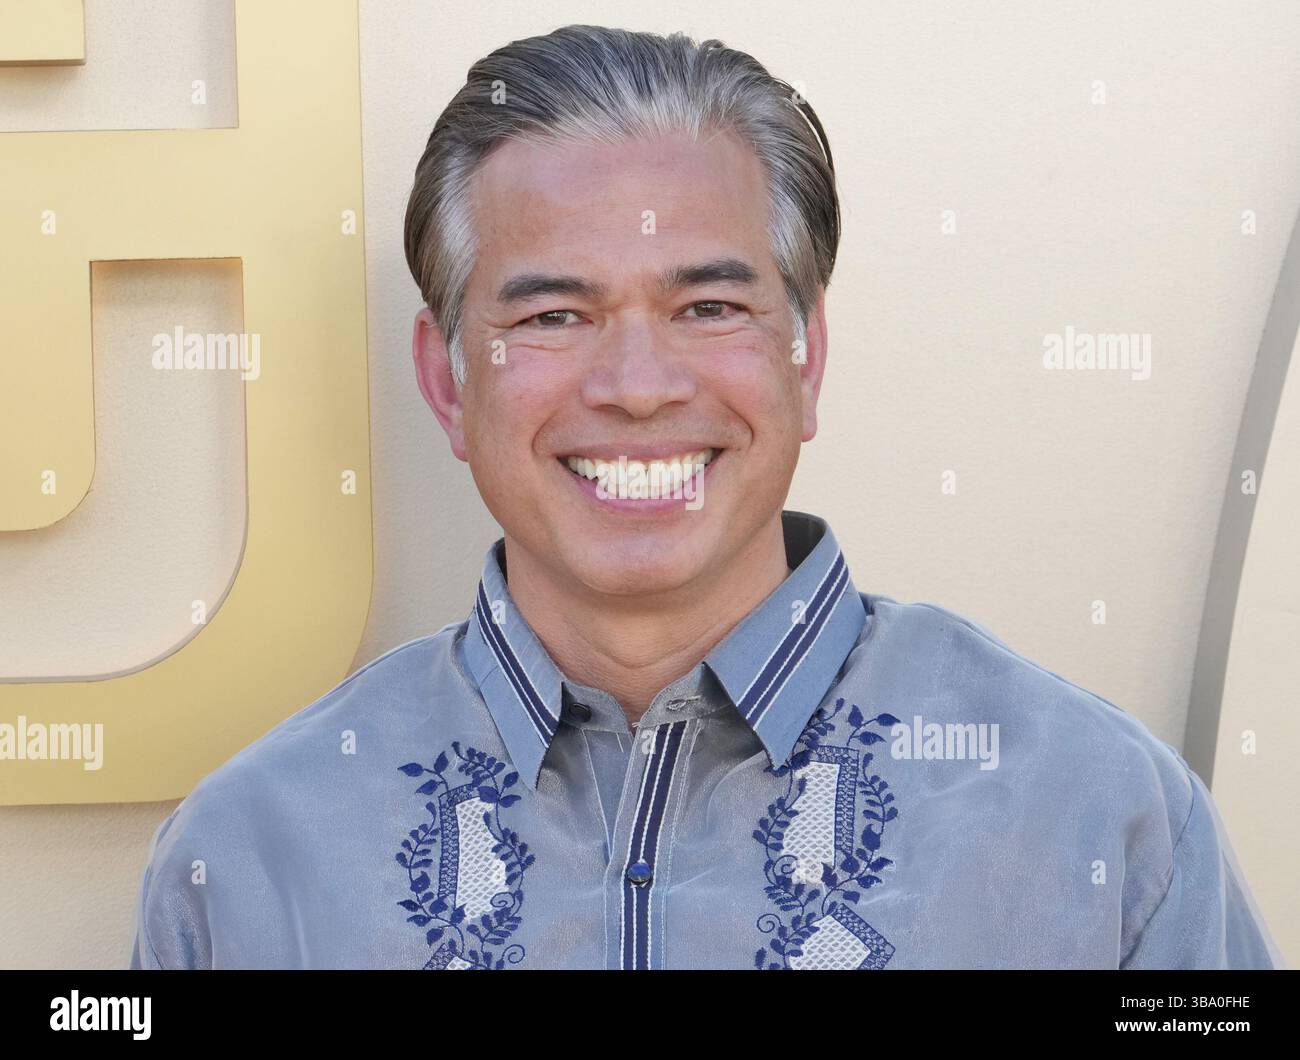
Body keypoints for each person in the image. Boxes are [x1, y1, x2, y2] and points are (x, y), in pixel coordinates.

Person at [128, 24, 1282, 970]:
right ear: (446, 380)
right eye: (551, 316)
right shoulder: (246, 859)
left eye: (709, 308)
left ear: (804, 356)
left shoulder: (1095, 818)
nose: (637, 387)